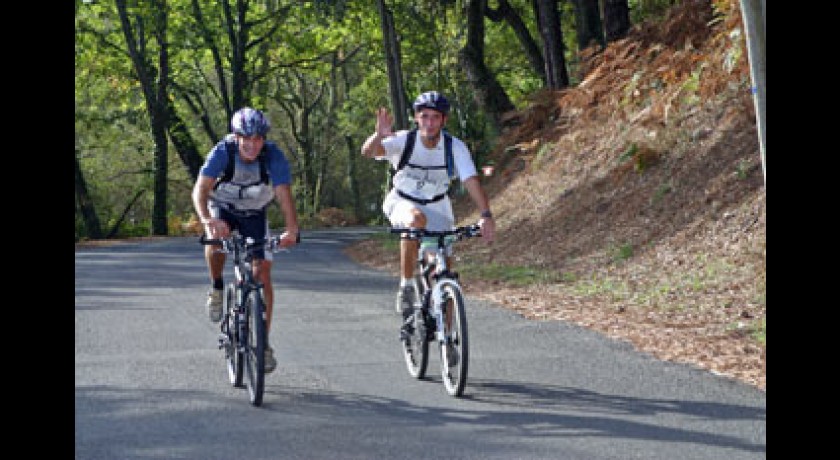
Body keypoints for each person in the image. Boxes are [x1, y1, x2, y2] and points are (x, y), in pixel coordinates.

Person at [360, 91, 496, 318]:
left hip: (438, 206)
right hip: (402, 201)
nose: (430, 123)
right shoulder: (405, 140)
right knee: (415, 221)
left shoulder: (455, 147)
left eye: (435, 117)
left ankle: (450, 339)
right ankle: (406, 286)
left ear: (444, 120)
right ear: (416, 118)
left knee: (444, 274)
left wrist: (486, 214)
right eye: (424, 117)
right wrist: (378, 135)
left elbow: (471, 181)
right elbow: (368, 152)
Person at [192, 107, 300, 374]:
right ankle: (217, 288)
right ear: (236, 136)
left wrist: (291, 229)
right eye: (246, 139)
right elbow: (200, 190)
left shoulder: (273, 156)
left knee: (262, 273)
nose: (252, 145)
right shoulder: (223, 152)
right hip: (223, 210)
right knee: (216, 241)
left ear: (264, 139)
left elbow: (284, 194)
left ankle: (262, 344)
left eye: (258, 139)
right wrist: (207, 220)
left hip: (255, 213)